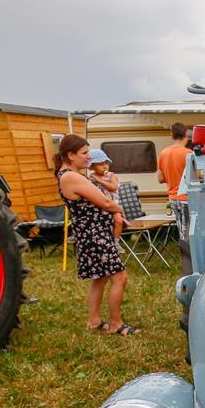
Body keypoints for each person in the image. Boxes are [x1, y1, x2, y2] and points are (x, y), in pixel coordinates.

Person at [55, 134, 141, 336]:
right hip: (95, 235)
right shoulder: (71, 176)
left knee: (100, 278)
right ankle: (116, 323)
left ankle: (94, 320)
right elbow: (106, 202)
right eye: (84, 153)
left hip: (91, 233)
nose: (89, 158)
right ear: (70, 155)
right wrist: (120, 210)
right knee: (119, 277)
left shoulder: (69, 174)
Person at [158, 122, 192, 238]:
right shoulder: (189, 154)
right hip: (187, 197)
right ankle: (190, 255)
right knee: (189, 231)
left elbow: (160, 178)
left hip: (173, 198)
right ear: (186, 134)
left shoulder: (164, 153)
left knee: (181, 230)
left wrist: (171, 174)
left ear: (171, 135)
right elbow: (195, 177)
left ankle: (185, 253)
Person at [87, 148, 124, 238]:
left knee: (118, 220)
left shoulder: (111, 175)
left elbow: (113, 187)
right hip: (99, 206)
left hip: (112, 205)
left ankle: (116, 242)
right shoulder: (91, 178)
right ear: (92, 167)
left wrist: (100, 180)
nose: (105, 166)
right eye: (100, 164)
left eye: (106, 163)